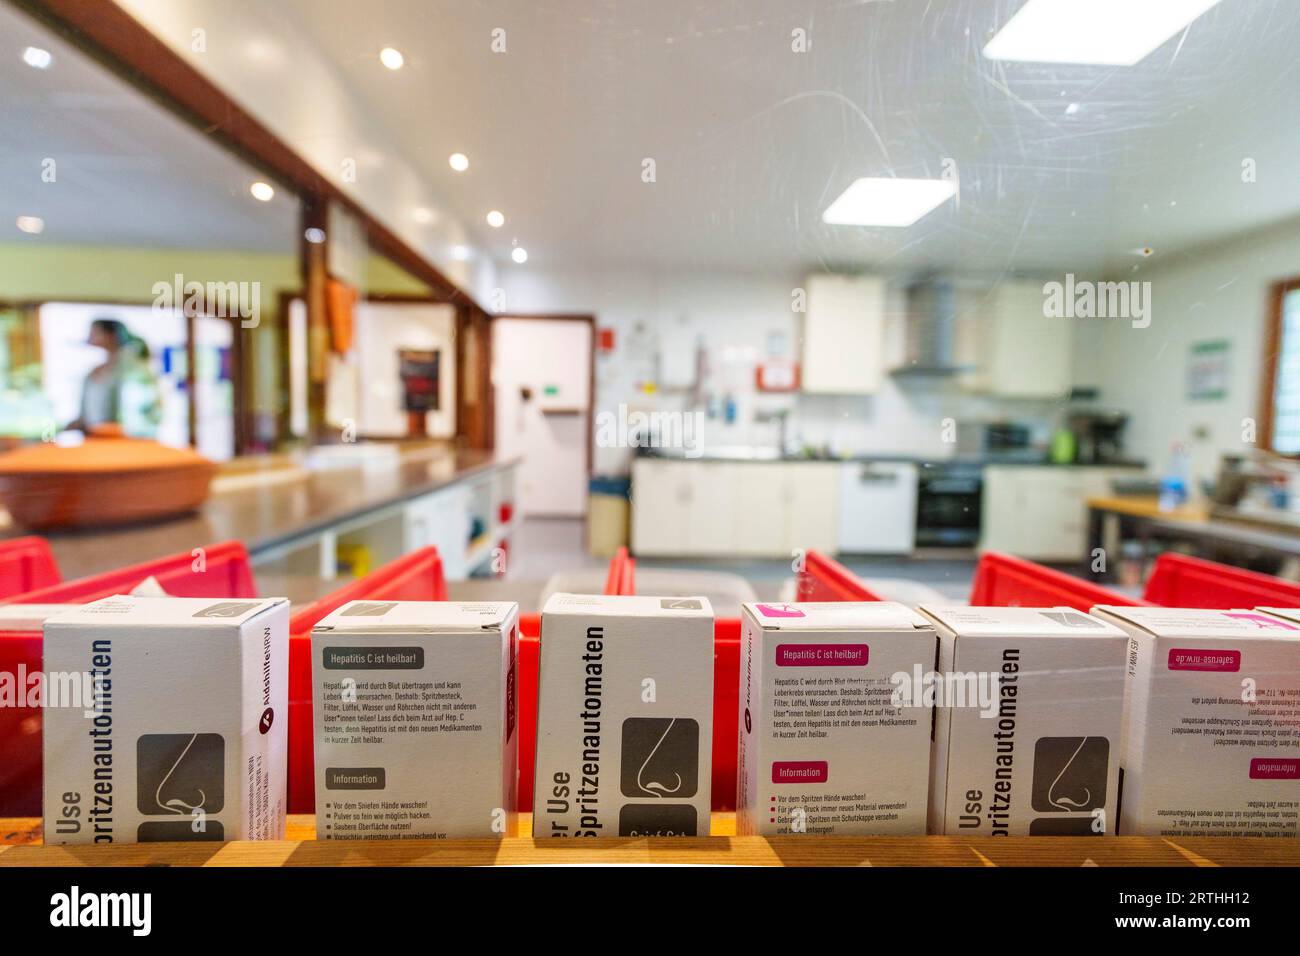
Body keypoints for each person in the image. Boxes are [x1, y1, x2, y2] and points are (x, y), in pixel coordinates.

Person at [68, 318, 163, 437]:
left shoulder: (135, 370)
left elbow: (148, 411)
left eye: (95, 332)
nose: (90, 336)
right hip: (94, 438)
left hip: (127, 439)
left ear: (112, 335)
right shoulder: (93, 372)